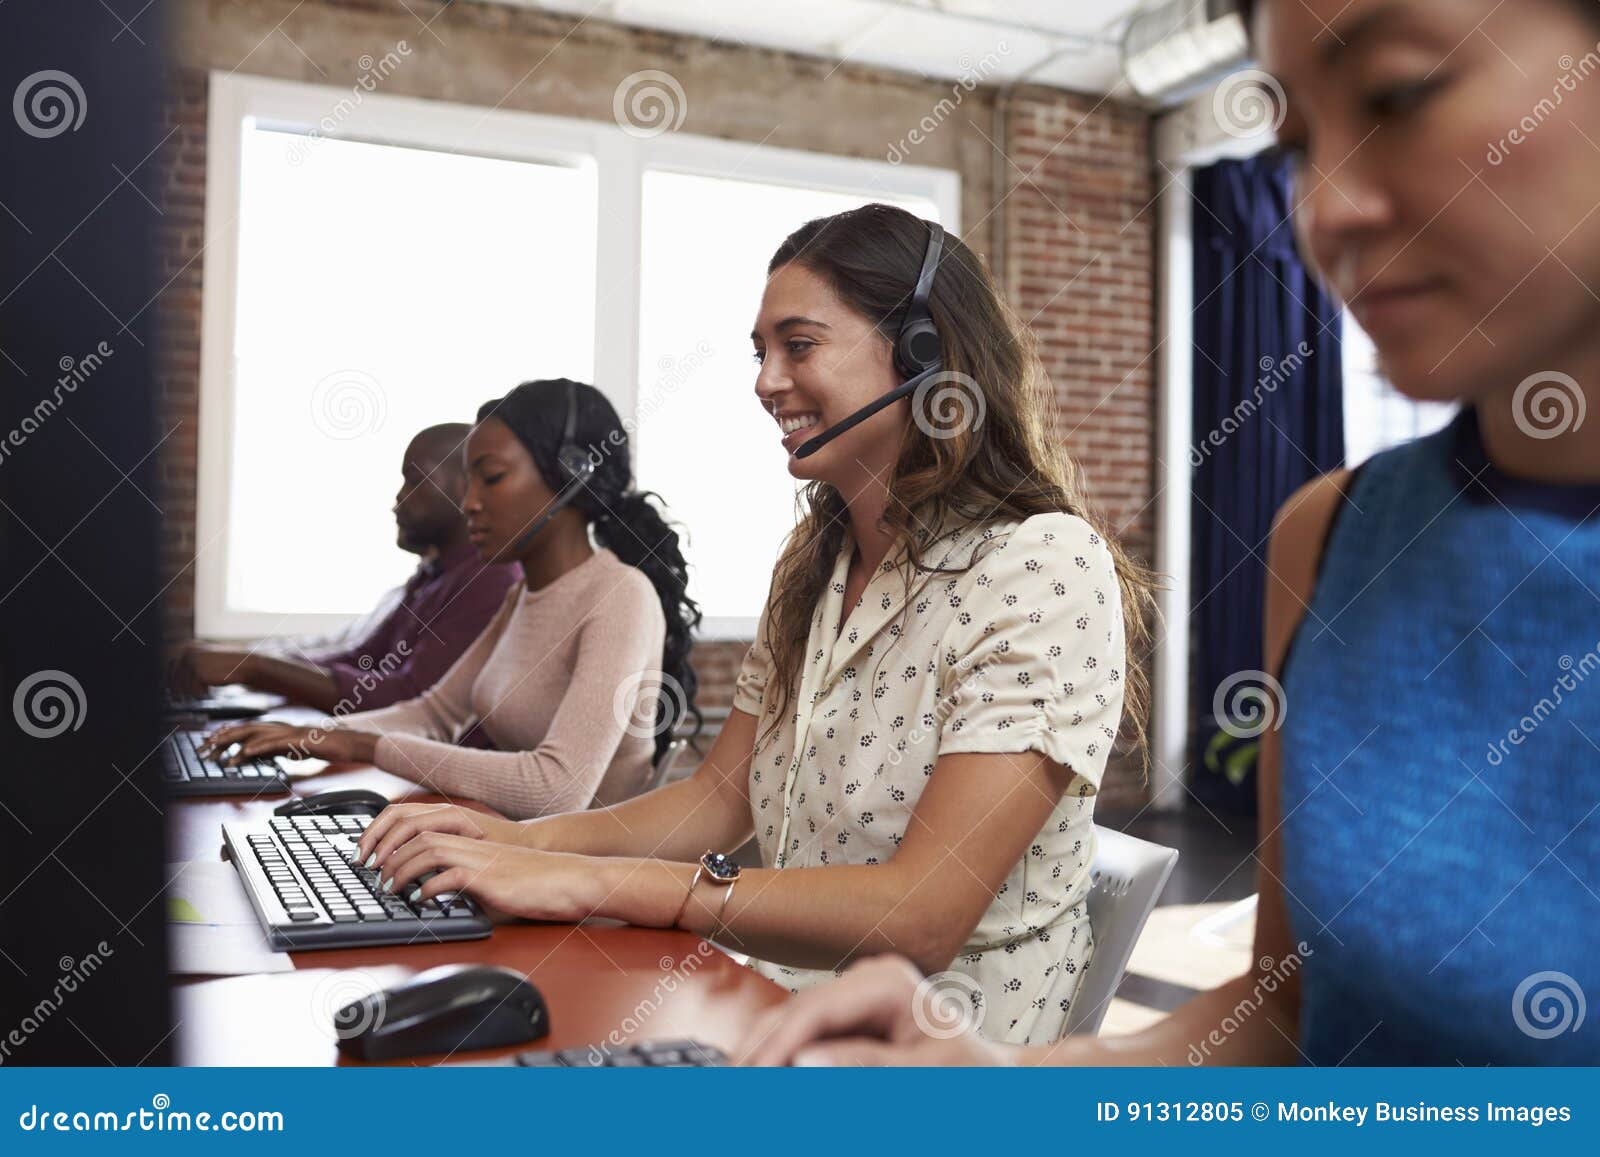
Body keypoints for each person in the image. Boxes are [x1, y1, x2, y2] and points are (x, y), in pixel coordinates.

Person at [737, 0, 1600, 1066]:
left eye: (1397, 94)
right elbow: (1286, 1023)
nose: (1322, 210)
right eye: (1293, 145)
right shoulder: (1331, 537)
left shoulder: (1036, 563)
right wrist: (1006, 1089)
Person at [349, 204, 1157, 1047]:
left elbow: (920, 914)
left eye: (798, 345)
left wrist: (576, 880)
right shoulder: (816, 563)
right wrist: (518, 844)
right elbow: (718, 797)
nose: (766, 381)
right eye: (760, 352)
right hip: (771, 993)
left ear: (922, 351)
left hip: (934, 1051)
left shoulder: (1041, 567)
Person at [200, 381, 702, 819]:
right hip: (516, 861)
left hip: (584, 902)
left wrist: (362, 745)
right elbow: (435, 713)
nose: (469, 503)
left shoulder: (619, 598)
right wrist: (310, 735)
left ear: (568, 479)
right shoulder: (524, 596)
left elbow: (558, 789)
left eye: (492, 477)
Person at [170, 423, 519, 714]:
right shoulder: (433, 576)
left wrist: (254, 668)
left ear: (467, 488)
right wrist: (251, 662)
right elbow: (361, 658)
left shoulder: (490, 579)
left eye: (415, 480)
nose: (399, 498)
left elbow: (410, 699)